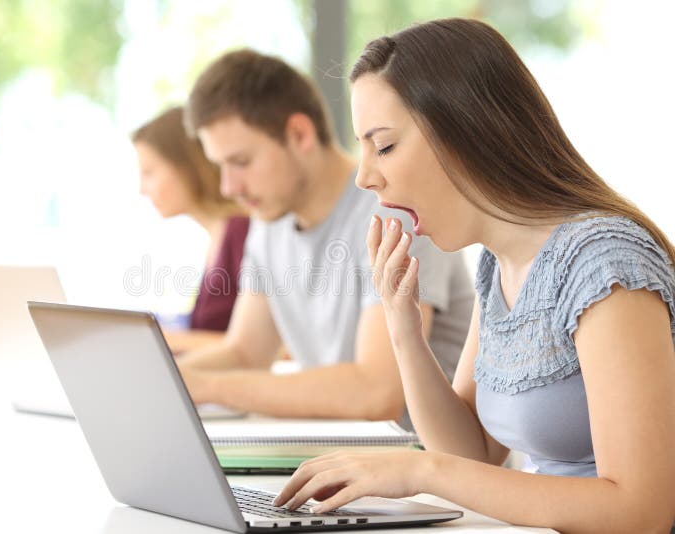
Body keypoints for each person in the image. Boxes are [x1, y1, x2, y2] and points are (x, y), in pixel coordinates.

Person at [273, 18, 675, 533]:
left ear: (466, 130)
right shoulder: (499, 262)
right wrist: (402, 325)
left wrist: (420, 470)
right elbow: (474, 453)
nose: (364, 176)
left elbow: (640, 513)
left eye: (385, 145)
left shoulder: (605, 261)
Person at [176, 49, 473, 426]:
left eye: (241, 162)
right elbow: (246, 352)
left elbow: (376, 392)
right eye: (220, 166)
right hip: (347, 458)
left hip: (425, 464)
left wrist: (207, 387)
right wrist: (164, 381)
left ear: (299, 134)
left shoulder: (391, 207)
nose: (228, 187)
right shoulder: (269, 221)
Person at [131, 106, 249, 353]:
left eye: (149, 173)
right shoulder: (220, 232)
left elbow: (264, 347)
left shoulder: (242, 231)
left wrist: (164, 339)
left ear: (187, 167)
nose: (142, 189)